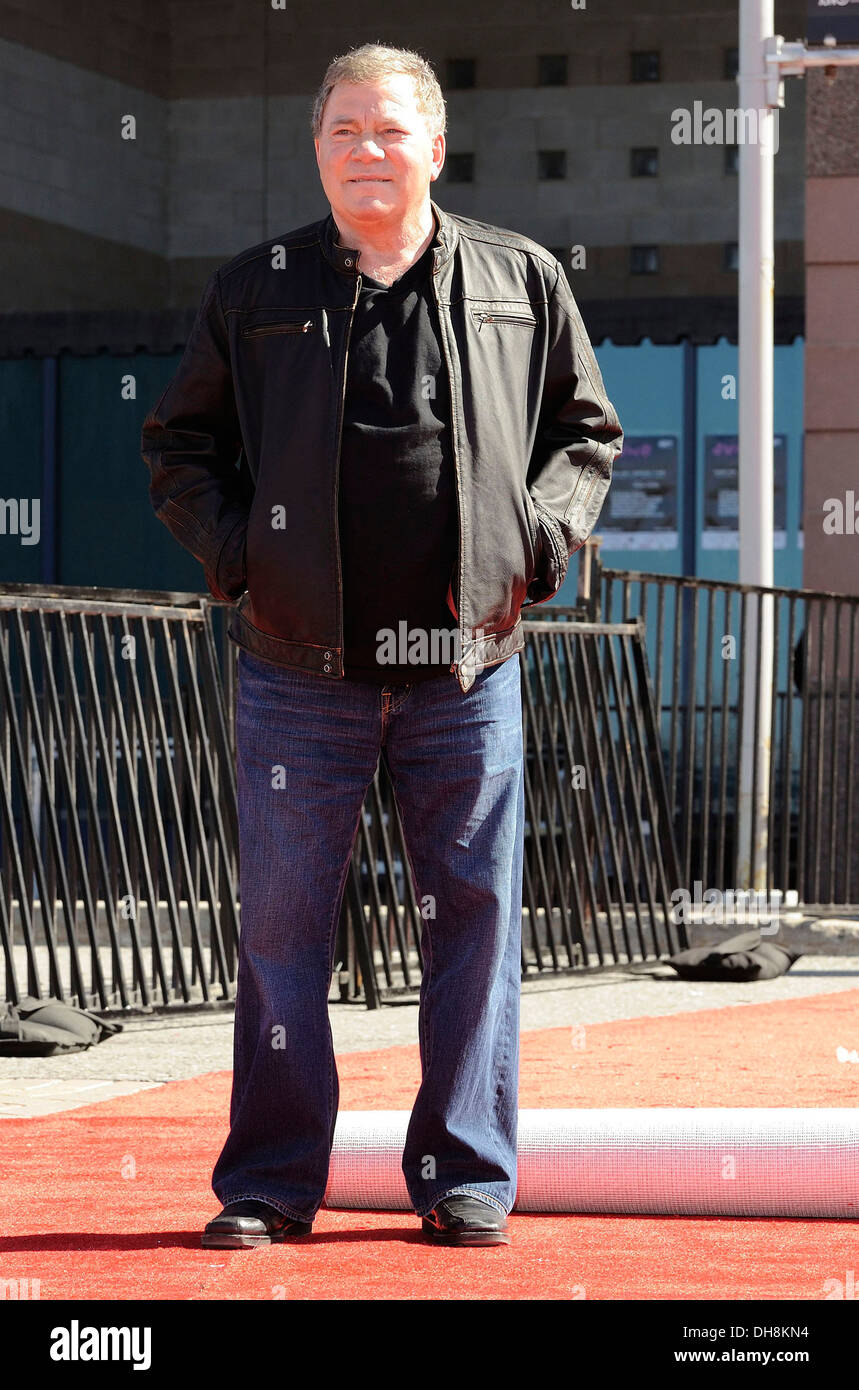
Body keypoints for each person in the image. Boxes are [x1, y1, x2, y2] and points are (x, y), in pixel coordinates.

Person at [141, 42, 623, 1250]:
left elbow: (585, 432)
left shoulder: (518, 279)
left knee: (473, 919)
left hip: (469, 666)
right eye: (345, 129)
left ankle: (465, 1174)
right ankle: (268, 1181)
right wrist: (246, 556)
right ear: (317, 148)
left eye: (390, 130)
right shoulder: (257, 288)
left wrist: (540, 539)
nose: (367, 149)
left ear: (435, 147)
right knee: (280, 929)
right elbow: (178, 445)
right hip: (301, 671)